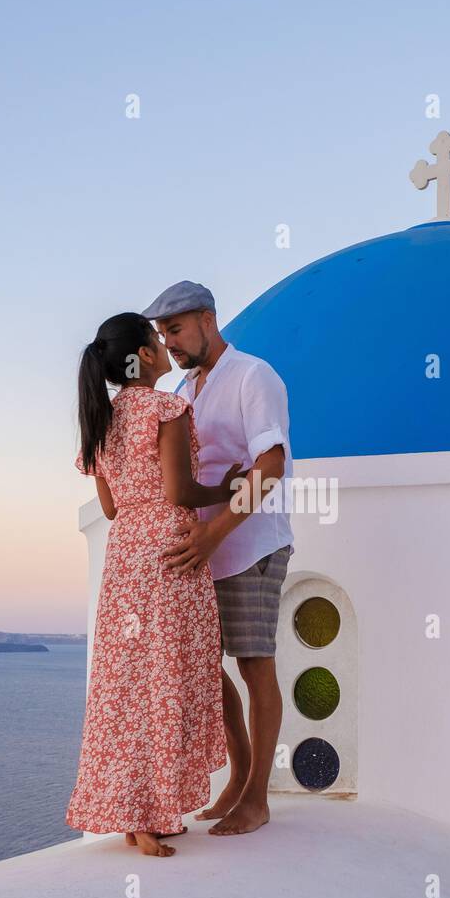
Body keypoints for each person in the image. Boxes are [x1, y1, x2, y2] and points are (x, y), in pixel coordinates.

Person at [65, 312, 242, 857]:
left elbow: (113, 506)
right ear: (143, 355)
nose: (166, 346)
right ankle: (154, 812)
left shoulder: (101, 421)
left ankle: (133, 815)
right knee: (168, 680)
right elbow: (181, 489)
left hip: (125, 560)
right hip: (169, 553)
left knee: (127, 687)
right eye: (157, 340)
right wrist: (230, 487)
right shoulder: (166, 408)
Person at [142, 280, 294, 836]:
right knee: (206, 668)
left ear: (208, 318)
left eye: (176, 330)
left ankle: (257, 796)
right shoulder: (184, 387)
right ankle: (237, 776)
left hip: (249, 544)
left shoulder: (253, 376)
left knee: (254, 666)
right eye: (162, 335)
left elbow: (270, 465)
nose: (170, 342)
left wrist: (215, 534)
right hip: (199, 549)